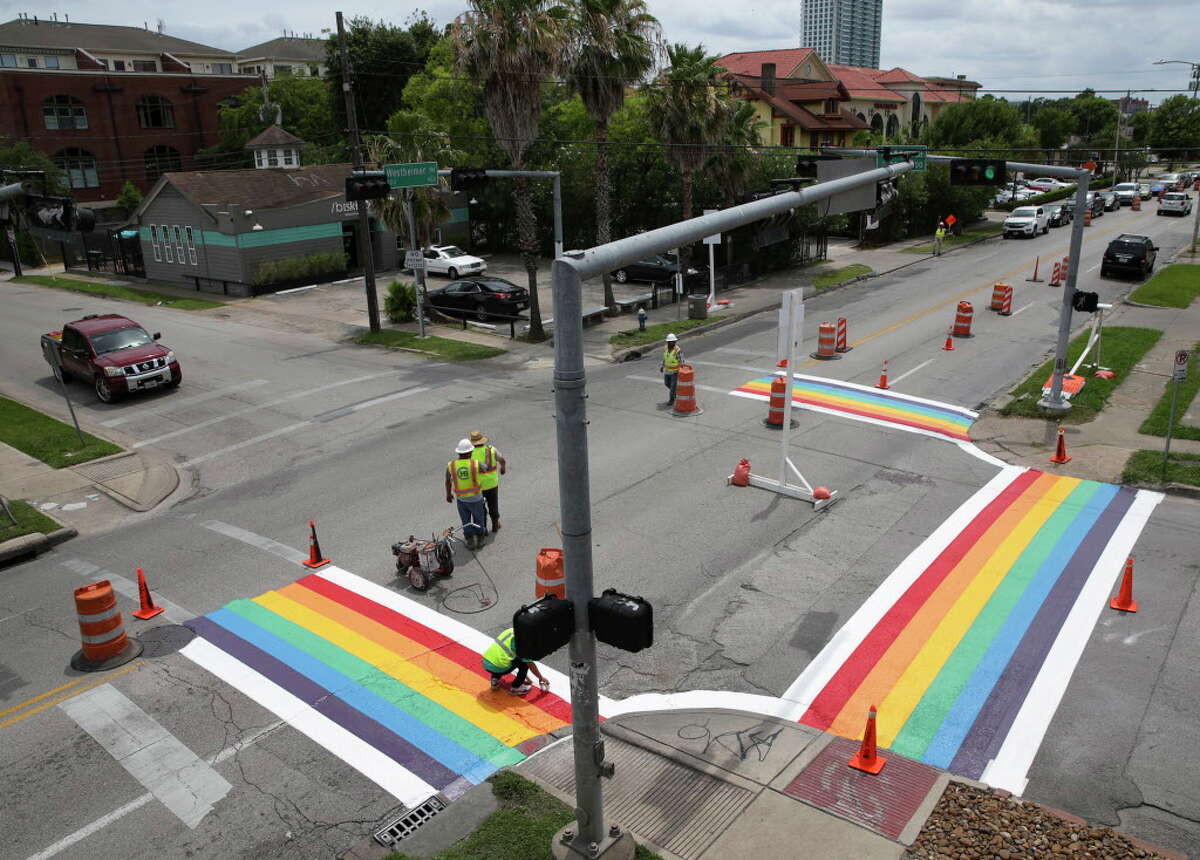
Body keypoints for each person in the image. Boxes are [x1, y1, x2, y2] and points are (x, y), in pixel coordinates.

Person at [446, 438, 488, 550]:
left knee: (465, 521)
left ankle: (470, 540)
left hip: (461, 500)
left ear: (459, 452)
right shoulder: (475, 463)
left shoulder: (452, 465)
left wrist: (448, 494)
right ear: (470, 452)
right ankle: (480, 538)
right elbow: (485, 468)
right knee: (479, 519)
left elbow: (447, 480)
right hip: (476, 499)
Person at [481, 627, 549, 695]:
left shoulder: (510, 631)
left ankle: (495, 680)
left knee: (502, 658)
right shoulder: (523, 644)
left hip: (486, 662)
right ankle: (516, 687)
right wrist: (541, 678)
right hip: (499, 667)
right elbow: (530, 664)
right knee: (524, 664)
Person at [469, 429, 506, 533]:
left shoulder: (470, 454)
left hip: (478, 486)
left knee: (481, 508)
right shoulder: (491, 449)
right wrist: (503, 468)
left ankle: (483, 528)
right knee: (493, 504)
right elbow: (502, 460)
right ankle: (495, 524)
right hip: (492, 483)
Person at [660, 333, 683, 405]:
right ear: (668, 342)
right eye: (670, 341)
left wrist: (681, 370)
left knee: (673, 386)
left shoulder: (677, 350)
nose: (672, 343)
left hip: (675, 372)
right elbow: (665, 358)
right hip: (667, 371)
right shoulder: (666, 348)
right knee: (667, 383)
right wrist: (662, 366)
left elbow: (682, 361)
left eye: (673, 341)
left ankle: (671, 399)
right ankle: (676, 393)